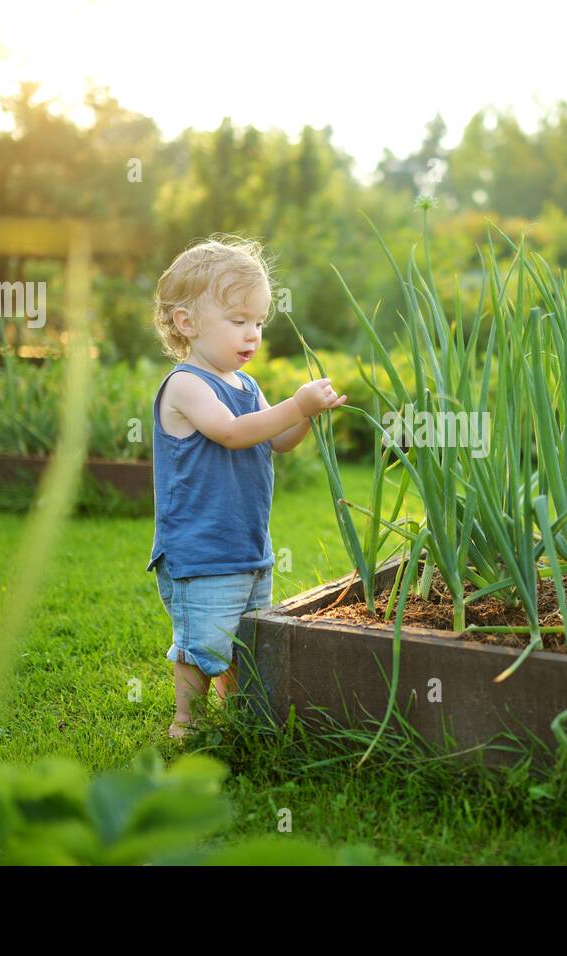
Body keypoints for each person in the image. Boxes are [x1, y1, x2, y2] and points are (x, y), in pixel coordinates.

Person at [147, 235, 347, 739]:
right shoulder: (186, 385)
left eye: (258, 322)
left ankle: (233, 714)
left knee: (243, 640)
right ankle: (185, 722)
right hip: (200, 550)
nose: (252, 333)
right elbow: (233, 435)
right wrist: (296, 404)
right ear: (187, 323)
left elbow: (276, 440)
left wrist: (305, 417)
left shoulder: (248, 387)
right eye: (238, 321)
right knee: (204, 643)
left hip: (247, 547)